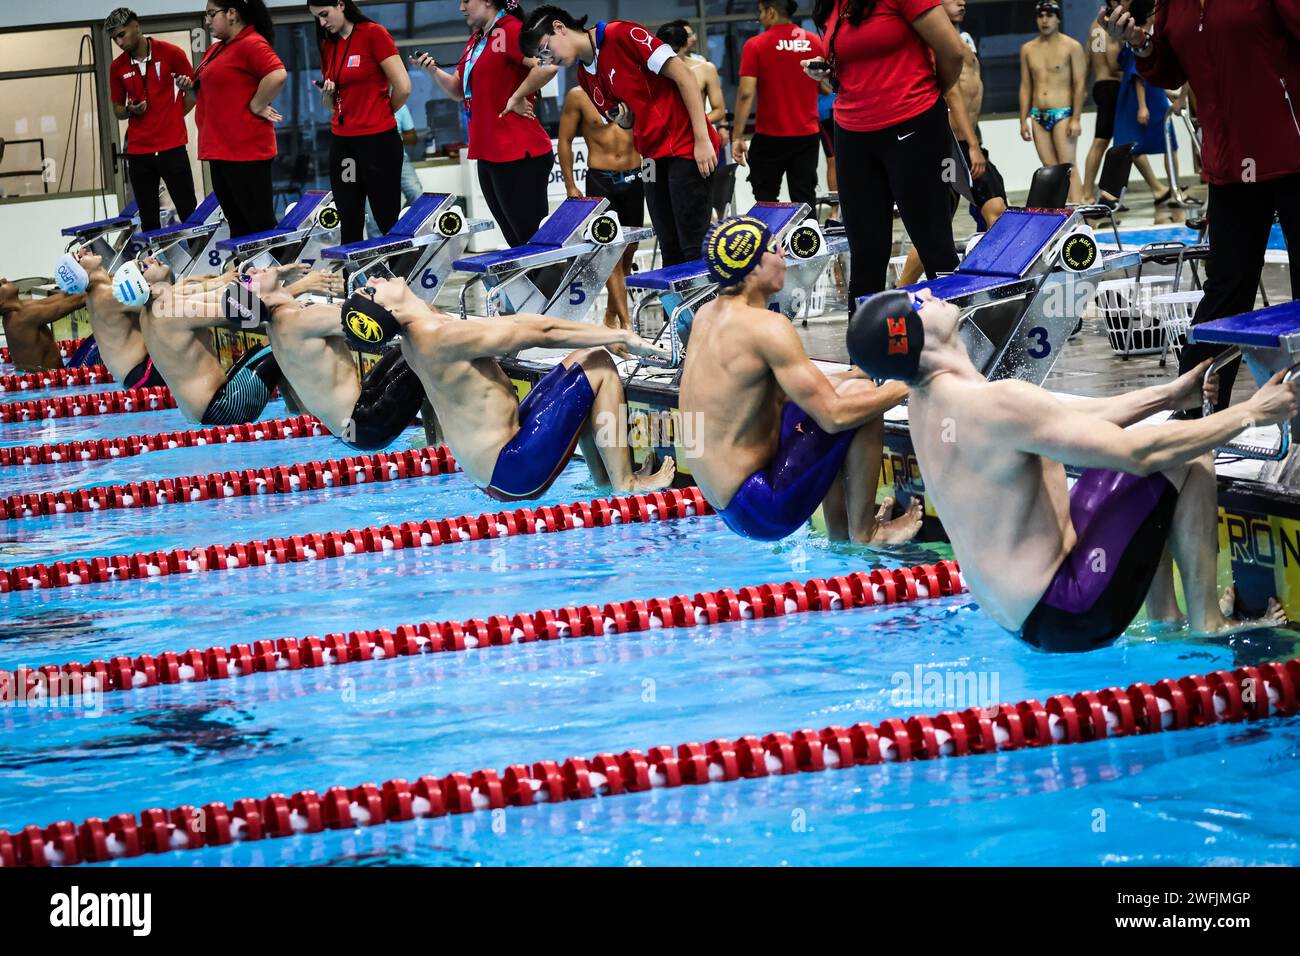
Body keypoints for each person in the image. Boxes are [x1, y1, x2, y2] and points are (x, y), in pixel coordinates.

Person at [848, 288, 1292, 649]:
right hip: (1069, 609)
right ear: (916, 338)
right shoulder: (990, 402)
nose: (928, 292)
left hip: (1023, 614)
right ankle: (1207, 623)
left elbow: (1068, 426)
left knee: (1152, 457)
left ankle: (1165, 618)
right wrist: (1253, 411)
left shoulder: (930, 404)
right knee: (1188, 455)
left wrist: (1169, 396)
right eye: (918, 303)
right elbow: (1138, 454)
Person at [1103, 0, 1300, 414]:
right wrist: (1141, 44)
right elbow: (1171, 70)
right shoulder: (1174, 2)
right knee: (1226, 289)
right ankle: (1193, 417)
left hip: (1292, 151)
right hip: (1231, 164)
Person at [680, 216, 921, 544]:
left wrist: (850, 374)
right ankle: (866, 531)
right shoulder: (766, 326)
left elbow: (776, 395)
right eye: (774, 249)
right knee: (859, 399)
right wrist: (909, 381)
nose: (783, 255)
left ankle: (841, 532)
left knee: (847, 387)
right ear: (751, 267)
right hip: (764, 507)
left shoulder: (706, 315)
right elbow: (835, 416)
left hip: (730, 505)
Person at [342, 276, 678, 499]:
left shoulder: (417, 336)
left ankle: (606, 479)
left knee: (581, 360)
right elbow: (539, 330)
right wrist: (620, 336)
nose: (372, 279)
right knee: (600, 365)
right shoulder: (438, 337)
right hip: (512, 468)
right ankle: (626, 484)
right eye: (370, 291)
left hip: (496, 466)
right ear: (389, 309)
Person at [521, 7, 720, 269]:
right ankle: (677, 311)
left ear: (559, 28)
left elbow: (684, 76)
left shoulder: (621, 34)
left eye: (545, 48)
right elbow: (627, 121)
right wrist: (624, 119)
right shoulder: (585, 75)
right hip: (650, 157)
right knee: (668, 245)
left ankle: (706, 309)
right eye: (540, 56)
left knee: (692, 245)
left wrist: (702, 139)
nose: (547, 58)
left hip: (685, 147)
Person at [803, 0, 967, 306]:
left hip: (913, 124)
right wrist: (826, 71)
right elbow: (856, 60)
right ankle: (864, 351)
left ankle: (959, 339)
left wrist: (929, 94)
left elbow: (953, 51)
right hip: (852, 131)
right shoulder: (831, 5)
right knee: (866, 252)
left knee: (933, 243)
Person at [108, 258, 338, 425]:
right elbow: (245, 310)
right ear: (146, 285)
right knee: (287, 348)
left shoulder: (152, 310)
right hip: (223, 408)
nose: (151, 259)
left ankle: (298, 420)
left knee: (269, 350)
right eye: (143, 268)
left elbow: (219, 295)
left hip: (205, 411)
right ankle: (313, 425)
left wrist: (276, 275)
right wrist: (302, 286)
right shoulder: (171, 311)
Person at [410, 0, 557, 248]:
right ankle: (532, 287)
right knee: (516, 244)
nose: (460, 7)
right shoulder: (477, 40)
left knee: (532, 245)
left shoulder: (511, 29)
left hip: (517, 153)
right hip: (489, 154)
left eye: (467, 0)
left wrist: (517, 96)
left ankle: (548, 287)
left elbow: (549, 61)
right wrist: (433, 71)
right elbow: (459, 90)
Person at [897, 0, 1007, 286]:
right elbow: (952, 96)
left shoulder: (963, 41)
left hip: (967, 143)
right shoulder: (933, 44)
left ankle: (993, 283)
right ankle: (896, 295)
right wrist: (971, 145)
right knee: (934, 236)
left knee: (997, 215)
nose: (962, 2)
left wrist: (973, 141)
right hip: (950, 147)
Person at [258, 268, 426, 450]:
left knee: (409, 349)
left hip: (349, 429)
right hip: (366, 422)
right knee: (424, 345)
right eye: (249, 279)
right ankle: (437, 441)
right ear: (263, 297)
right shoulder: (302, 320)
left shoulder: (274, 324)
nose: (251, 269)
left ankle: (433, 437)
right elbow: (381, 319)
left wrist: (283, 276)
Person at [178, 1, 286, 238]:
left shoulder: (251, 43)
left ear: (232, 13)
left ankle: (278, 274)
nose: (207, 21)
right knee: (238, 228)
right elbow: (208, 93)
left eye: (211, 14)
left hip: (244, 152)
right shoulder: (216, 49)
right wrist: (190, 87)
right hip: (220, 151)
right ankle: (247, 275)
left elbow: (277, 74)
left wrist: (257, 104)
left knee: (259, 227)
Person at [308, 0, 411, 244]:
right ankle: (350, 280)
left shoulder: (373, 34)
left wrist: (382, 113)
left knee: (386, 219)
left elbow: (404, 87)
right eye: (317, 18)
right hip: (345, 145)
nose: (322, 23)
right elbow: (331, 106)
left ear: (341, 4)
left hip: (378, 142)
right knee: (349, 217)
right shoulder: (328, 45)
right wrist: (328, 94)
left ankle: (396, 280)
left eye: (324, 14)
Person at [104, 7, 199, 232]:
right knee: (148, 217)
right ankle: (152, 265)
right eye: (114, 38)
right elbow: (117, 109)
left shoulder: (171, 53)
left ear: (137, 27)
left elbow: (194, 92)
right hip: (139, 151)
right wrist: (130, 110)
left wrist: (173, 117)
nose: (118, 41)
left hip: (172, 146)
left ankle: (199, 261)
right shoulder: (117, 67)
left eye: (121, 34)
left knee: (189, 211)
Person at [557, 86, 643, 331]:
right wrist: (570, 185)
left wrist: (653, 178)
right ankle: (626, 324)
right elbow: (565, 139)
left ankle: (610, 314)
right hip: (600, 179)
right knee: (609, 251)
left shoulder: (630, 87)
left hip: (635, 176)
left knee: (629, 252)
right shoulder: (578, 95)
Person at [731, 0, 825, 211]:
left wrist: (737, 136)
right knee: (804, 201)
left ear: (771, 12)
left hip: (771, 136)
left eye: (761, 12)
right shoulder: (813, 42)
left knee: (766, 201)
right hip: (806, 135)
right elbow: (822, 84)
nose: (760, 17)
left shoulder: (756, 45)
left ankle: (770, 244)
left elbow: (746, 93)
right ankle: (806, 242)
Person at [55, 248, 165, 389]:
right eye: (79, 257)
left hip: (137, 377)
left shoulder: (96, 295)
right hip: (144, 375)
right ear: (82, 273)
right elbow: (165, 307)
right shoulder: (108, 296)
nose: (83, 250)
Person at [1018, 1, 1086, 204]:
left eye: (1049, 15)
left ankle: (1079, 215)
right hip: (1038, 115)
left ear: (1058, 18)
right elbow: (1025, 86)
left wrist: (1076, 118)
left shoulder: (1071, 47)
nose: (1045, 20)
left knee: (1068, 167)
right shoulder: (1028, 49)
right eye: (1041, 16)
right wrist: (1023, 120)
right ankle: (1059, 213)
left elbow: (1080, 84)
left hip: (1063, 113)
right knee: (1050, 169)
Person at [656, 20, 728, 154]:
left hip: (696, 141)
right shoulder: (654, 73)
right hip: (663, 144)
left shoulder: (705, 68)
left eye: (675, 50)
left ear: (683, 45)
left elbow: (719, 110)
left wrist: (693, 124)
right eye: (667, 50)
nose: (671, 55)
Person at [365, 103, 425, 239]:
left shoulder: (400, 105)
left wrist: (392, 137)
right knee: (372, 207)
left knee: (417, 195)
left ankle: (404, 230)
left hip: (398, 158)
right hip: (368, 160)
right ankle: (377, 255)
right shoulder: (363, 106)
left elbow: (413, 137)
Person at [0, 280, 86, 373]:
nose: (3, 280)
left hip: (45, 377)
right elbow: (78, 300)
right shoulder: (21, 318)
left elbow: (63, 297)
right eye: (0, 284)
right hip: (47, 382)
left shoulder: (23, 308)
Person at [1081, 17, 1120, 204]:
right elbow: (1113, 64)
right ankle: (1087, 193)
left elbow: (1088, 59)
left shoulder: (1094, 25)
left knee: (1107, 142)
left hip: (1100, 84)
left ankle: (1092, 192)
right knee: (1101, 142)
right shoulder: (1113, 24)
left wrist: (1083, 88)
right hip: (1113, 86)